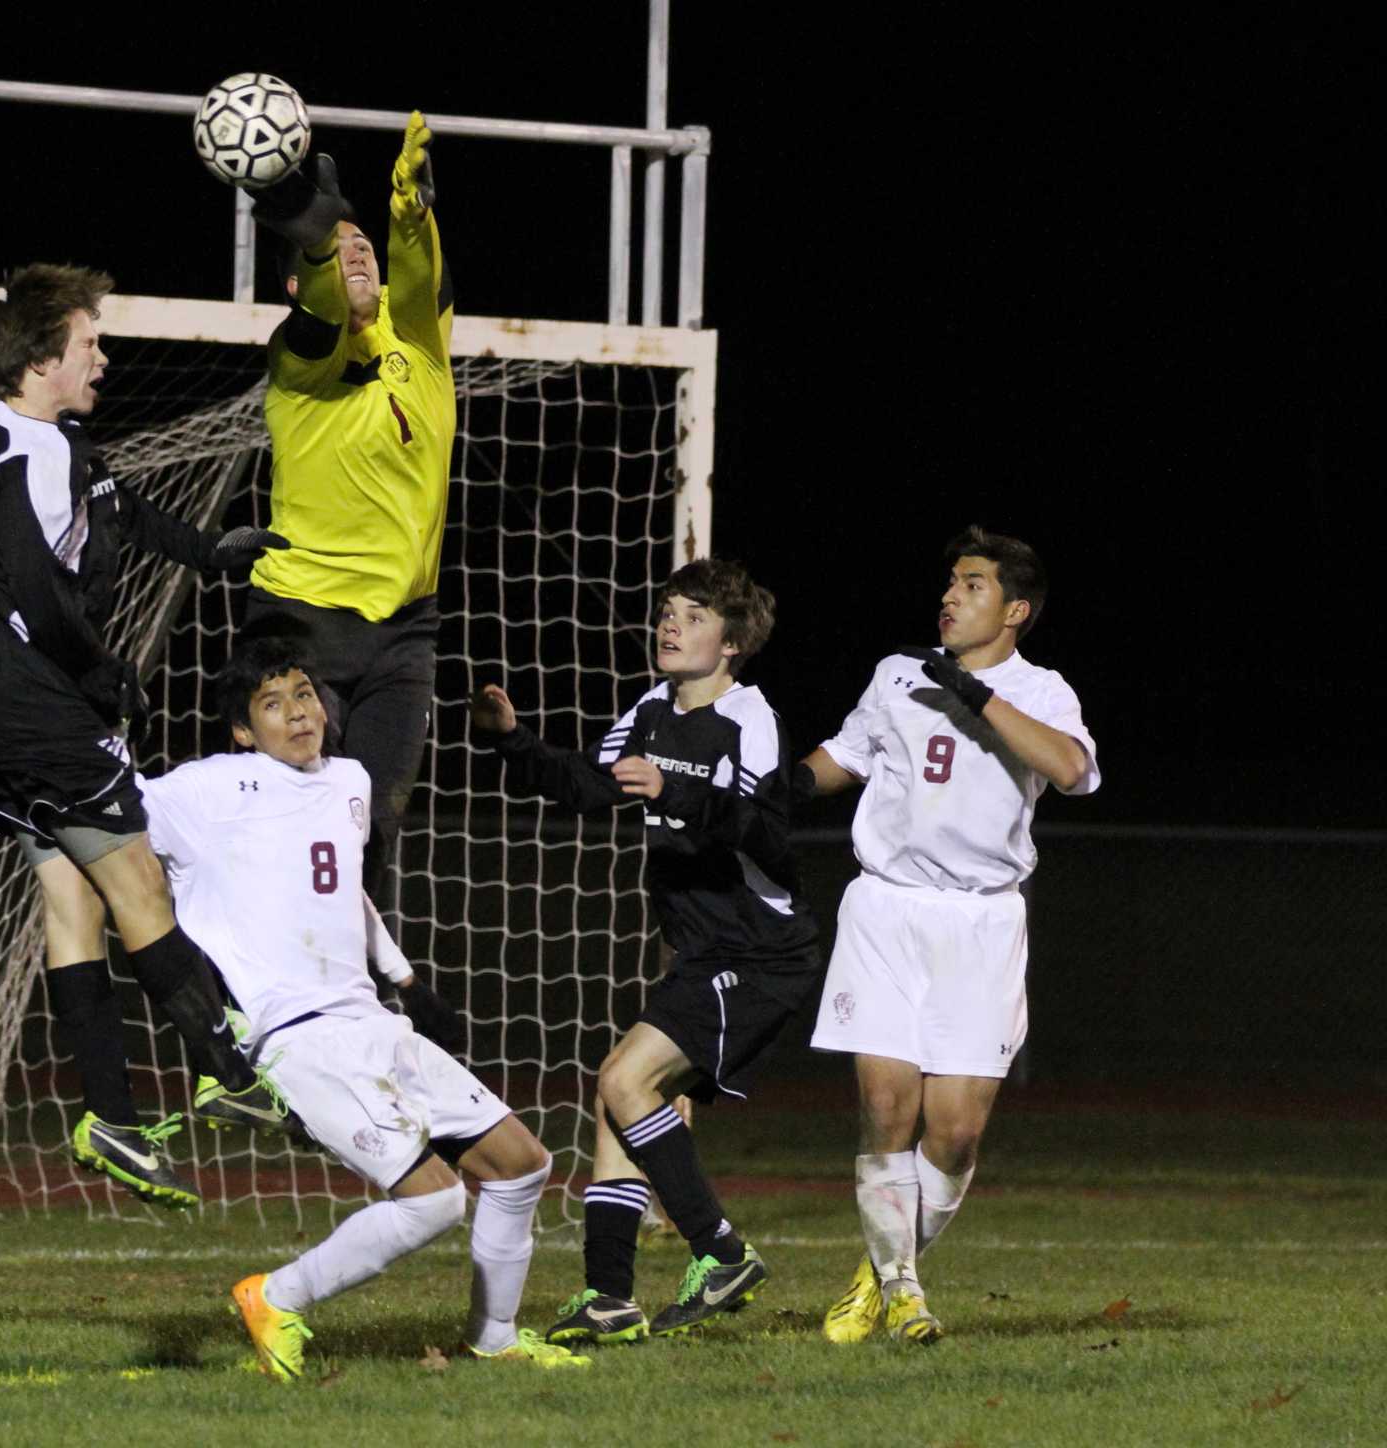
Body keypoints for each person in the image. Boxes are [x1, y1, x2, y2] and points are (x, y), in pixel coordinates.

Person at [128, 636, 585, 1379]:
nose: (296, 714)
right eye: (272, 706)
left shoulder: (349, 782)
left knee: (521, 1165)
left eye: (303, 696)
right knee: (435, 1202)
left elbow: (343, 892)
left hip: (372, 1022)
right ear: (243, 731)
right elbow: (108, 816)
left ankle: (495, 1339)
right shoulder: (206, 789)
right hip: (299, 1038)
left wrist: (404, 982)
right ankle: (275, 1295)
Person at [0, 263, 291, 1210]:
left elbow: (119, 508)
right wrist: (98, 672)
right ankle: (231, 1070)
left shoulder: (50, 437)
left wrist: (210, 552)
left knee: (76, 906)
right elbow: (32, 589)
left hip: (6, 711)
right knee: (141, 889)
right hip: (42, 707)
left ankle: (110, 1114)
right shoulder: (26, 454)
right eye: (87, 342)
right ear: (39, 360)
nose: (101, 355)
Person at [470, 558, 822, 1343]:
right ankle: (609, 1295)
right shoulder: (653, 708)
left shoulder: (748, 717)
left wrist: (676, 794)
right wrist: (511, 742)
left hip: (761, 950)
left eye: (693, 616)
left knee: (625, 1080)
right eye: (668, 611)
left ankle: (720, 1251)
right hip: (704, 951)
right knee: (620, 1100)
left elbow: (770, 831)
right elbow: (588, 786)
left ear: (731, 643)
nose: (670, 624)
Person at [802, 526, 1098, 1345]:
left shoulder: (1042, 691)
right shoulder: (898, 674)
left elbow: (1071, 771)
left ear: (1015, 610)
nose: (950, 596)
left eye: (971, 586)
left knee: (957, 1131)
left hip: (980, 921)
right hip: (887, 909)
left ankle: (879, 1270)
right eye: (951, 583)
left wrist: (977, 699)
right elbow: (845, 757)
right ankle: (902, 1290)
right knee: (887, 1104)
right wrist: (785, 787)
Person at [245, 111, 453, 899]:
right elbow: (325, 306)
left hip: (406, 631)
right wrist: (318, 234)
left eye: (362, 241)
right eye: (336, 247)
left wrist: (411, 219)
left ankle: (372, 996)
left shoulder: (421, 346)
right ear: (301, 281)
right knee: (293, 820)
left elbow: (423, 270)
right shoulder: (300, 358)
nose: (355, 247)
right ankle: (251, 998)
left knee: (373, 824)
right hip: (303, 622)